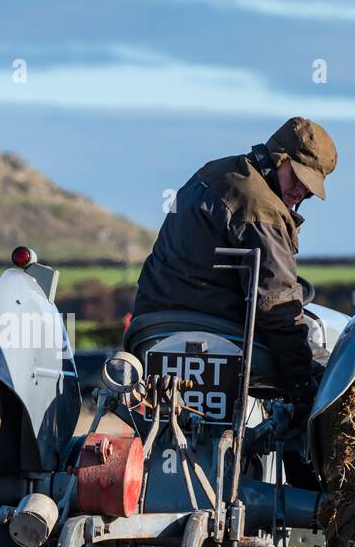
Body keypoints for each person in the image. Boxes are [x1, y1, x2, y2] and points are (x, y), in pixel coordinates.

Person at [132, 117, 337, 415]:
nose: (300, 192)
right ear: (279, 158)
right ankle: (301, 459)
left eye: (308, 189)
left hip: (153, 328)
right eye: (297, 178)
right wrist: (302, 388)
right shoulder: (261, 207)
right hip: (218, 333)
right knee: (330, 378)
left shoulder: (212, 172)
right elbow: (276, 307)